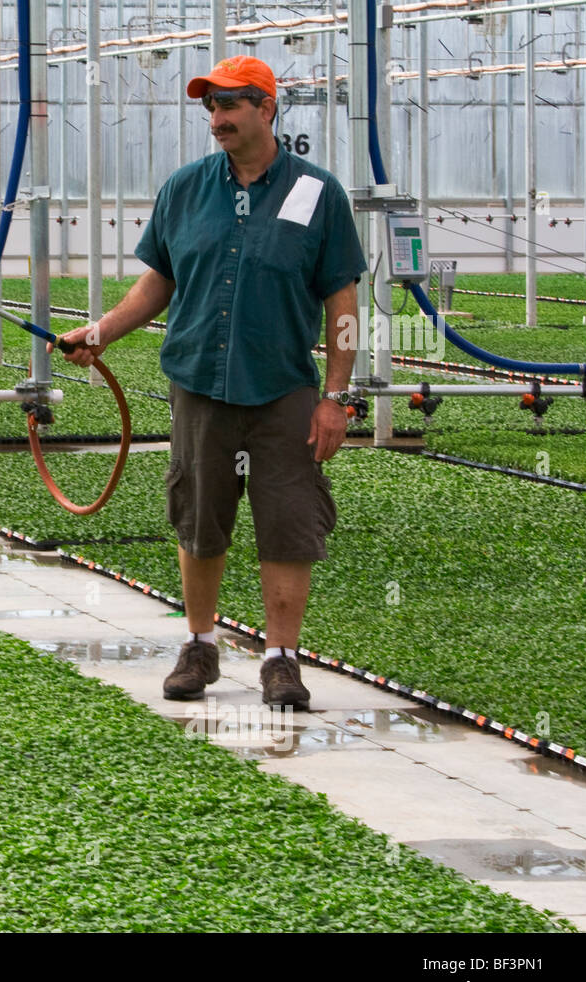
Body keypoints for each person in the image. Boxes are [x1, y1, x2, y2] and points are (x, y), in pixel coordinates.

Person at [53, 55, 366, 711]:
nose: (218, 120)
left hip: (284, 388)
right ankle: (199, 644)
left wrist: (337, 397)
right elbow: (158, 281)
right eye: (211, 108)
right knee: (198, 517)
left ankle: (282, 659)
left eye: (229, 107)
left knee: (289, 522)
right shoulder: (187, 189)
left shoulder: (318, 193)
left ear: (266, 109)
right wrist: (102, 330)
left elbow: (342, 302)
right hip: (198, 382)